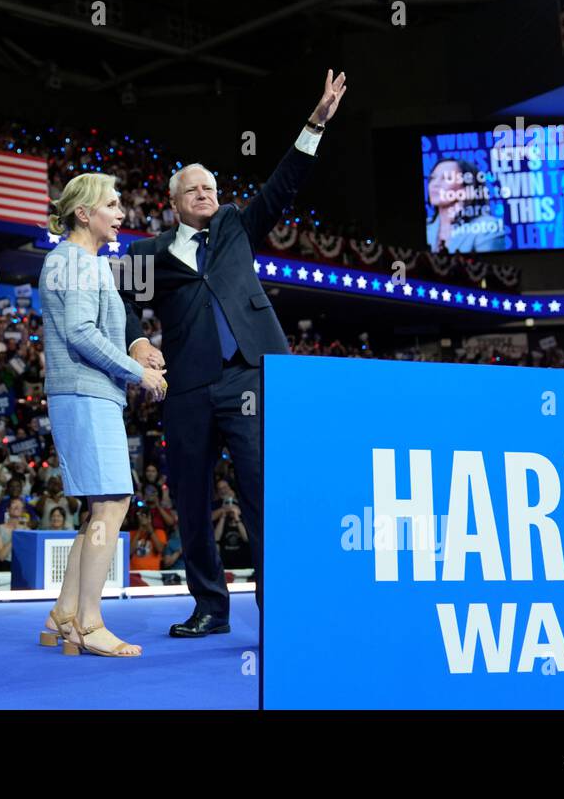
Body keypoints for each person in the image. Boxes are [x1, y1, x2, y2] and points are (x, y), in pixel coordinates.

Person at [119, 68, 347, 638]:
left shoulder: (236, 229)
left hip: (250, 376)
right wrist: (139, 341)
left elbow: (284, 184)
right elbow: (116, 299)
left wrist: (314, 125)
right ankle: (210, 608)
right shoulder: (149, 254)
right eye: (195, 188)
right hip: (188, 389)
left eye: (212, 186)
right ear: (173, 202)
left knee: (260, 493)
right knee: (191, 499)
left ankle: (280, 610)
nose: (207, 193)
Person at [39, 171, 167, 657]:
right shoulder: (75, 262)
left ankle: (64, 615)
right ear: (83, 213)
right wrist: (138, 371)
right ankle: (89, 625)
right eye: (112, 205)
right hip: (86, 395)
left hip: (85, 394)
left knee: (101, 509)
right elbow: (81, 333)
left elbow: (91, 331)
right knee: (112, 505)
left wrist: (138, 349)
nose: (121, 213)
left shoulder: (75, 260)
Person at [424, 157, 507, 253]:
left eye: (447, 178)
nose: (435, 184)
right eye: (433, 178)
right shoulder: (426, 227)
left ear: (466, 187)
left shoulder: (488, 227)